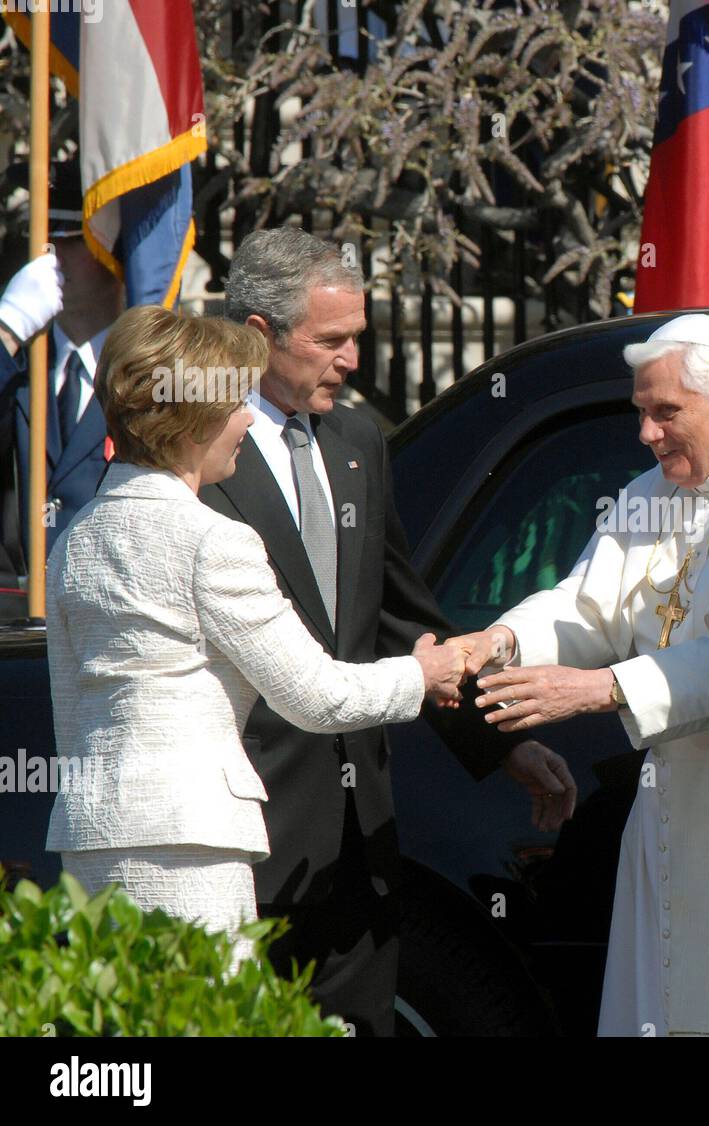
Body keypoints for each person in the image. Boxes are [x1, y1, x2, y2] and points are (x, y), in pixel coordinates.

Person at [203, 227, 574, 1035]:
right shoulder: (195, 447)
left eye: (357, 339)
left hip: (358, 838)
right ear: (261, 335)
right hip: (246, 831)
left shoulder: (357, 441)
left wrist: (497, 736)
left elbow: (399, 614)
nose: (351, 361)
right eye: (331, 341)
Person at [44, 306, 463, 970]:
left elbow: (70, 709)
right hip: (193, 843)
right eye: (237, 402)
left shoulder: (76, 539)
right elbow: (318, 697)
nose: (247, 419)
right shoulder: (214, 539)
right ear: (194, 419)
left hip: (92, 834)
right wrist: (423, 674)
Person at [451, 314, 709, 1037]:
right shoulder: (650, 492)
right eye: (642, 413)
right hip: (674, 795)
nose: (646, 434)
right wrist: (501, 641)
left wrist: (601, 688)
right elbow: (583, 606)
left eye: (666, 413)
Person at [0, 161, 121, 589]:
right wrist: (7, 331)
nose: (48, 253)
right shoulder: (14, 363)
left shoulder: (150, 375)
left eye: (70, 239)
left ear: (115, 252)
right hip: (16, 622)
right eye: (41, 238)